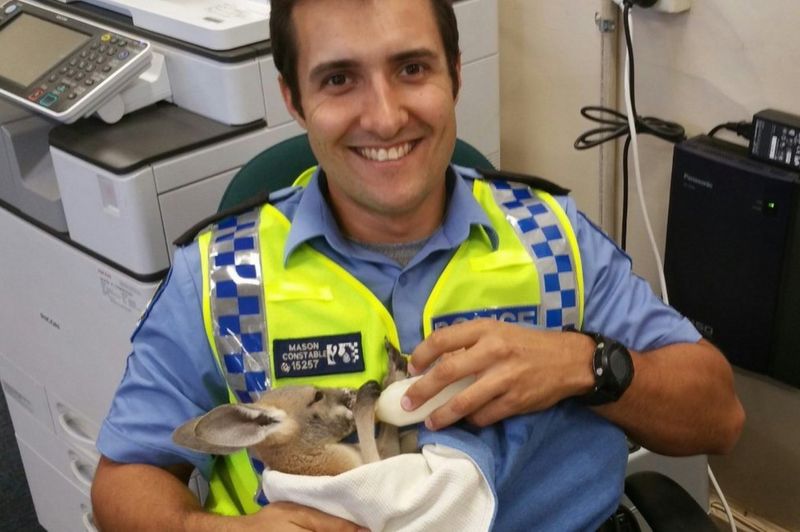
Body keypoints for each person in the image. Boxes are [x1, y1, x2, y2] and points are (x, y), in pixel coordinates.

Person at [91, 0, 745, 530]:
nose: (384, 116)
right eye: (339, 78)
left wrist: (585, 363)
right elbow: (123, 481)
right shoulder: (223, 275)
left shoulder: (551, 238)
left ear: (455, 74)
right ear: (294, 100)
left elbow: (718, 415)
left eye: (411, 69)